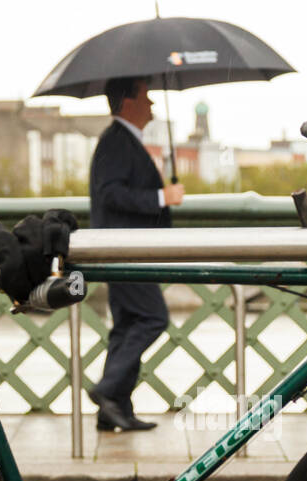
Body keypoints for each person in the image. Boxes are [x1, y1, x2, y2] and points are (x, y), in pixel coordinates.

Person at [87, 76, 185, 432]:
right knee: (152, 318)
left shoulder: (124, 140)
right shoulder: (116, 141)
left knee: (127, 325)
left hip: (121, 249)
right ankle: (108, 390)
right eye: (147, 96)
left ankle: (114, 410)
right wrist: (163, 197)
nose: (154, 104)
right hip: (123, 250)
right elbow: (111, 193)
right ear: (127, 101)